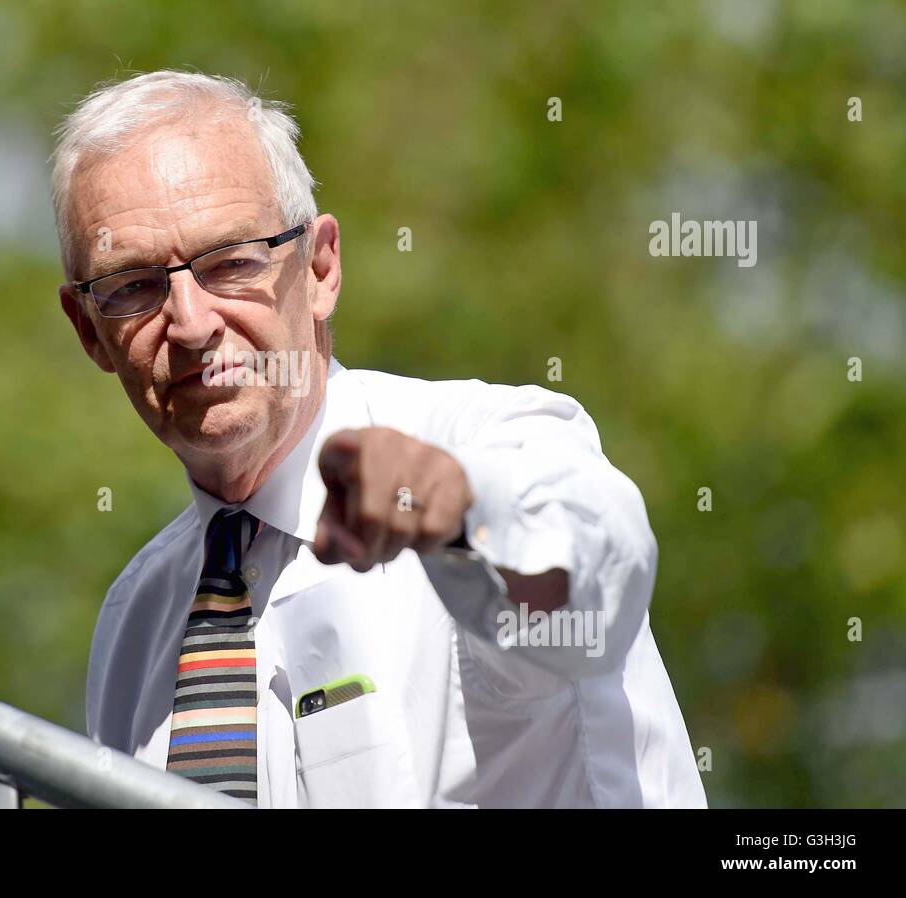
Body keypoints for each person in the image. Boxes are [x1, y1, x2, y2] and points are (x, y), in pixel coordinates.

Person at [51, 69, 706, 807]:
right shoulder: (136, 618)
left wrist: (463, 512)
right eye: (133, 286)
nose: (193, 322)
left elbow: (598, 582)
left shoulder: (490, 444)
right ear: (89, 331)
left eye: (231, 262)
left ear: (321, 268)